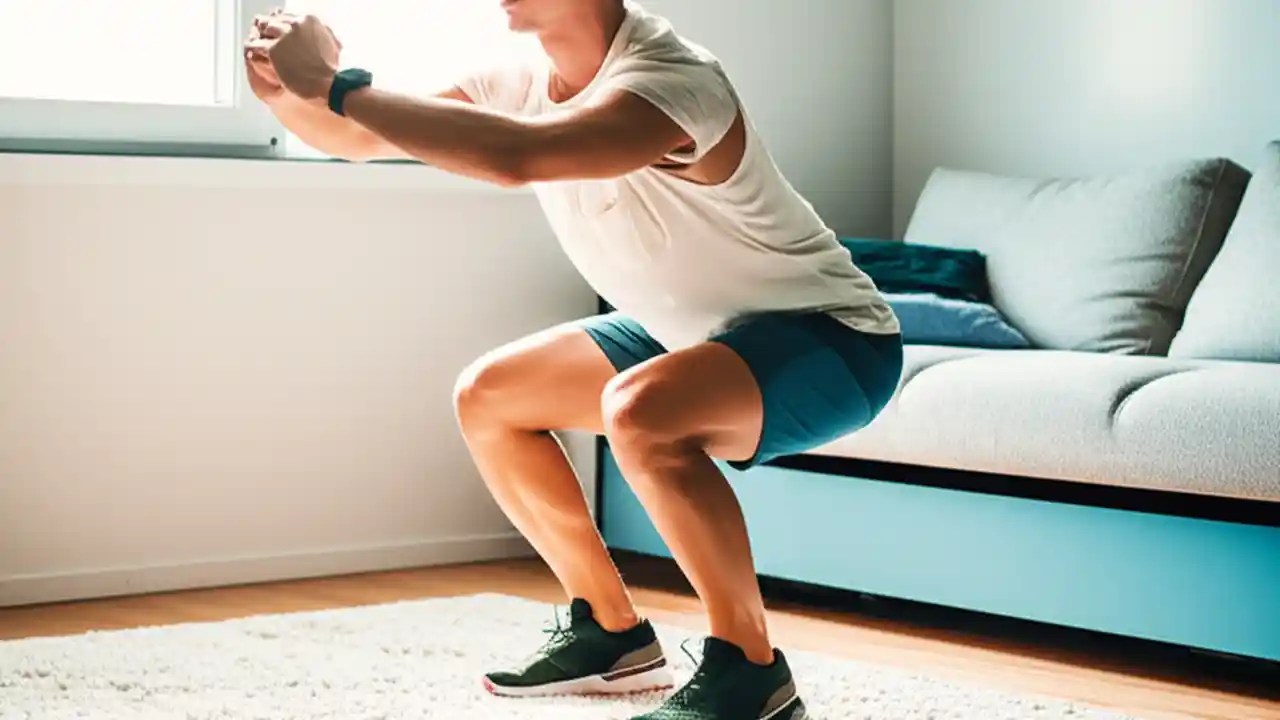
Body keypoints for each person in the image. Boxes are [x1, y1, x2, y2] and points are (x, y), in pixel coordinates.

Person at [245, 1, 902, 717]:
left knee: (640, 411)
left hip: (833, 338)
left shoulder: (675, 82)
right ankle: (612, 634)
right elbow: (359, 138)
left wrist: (337, 82)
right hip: (690, 330)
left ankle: (751, 672)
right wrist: (290, 93)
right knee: (490, 396)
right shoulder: (518, 79)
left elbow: (517, 156)